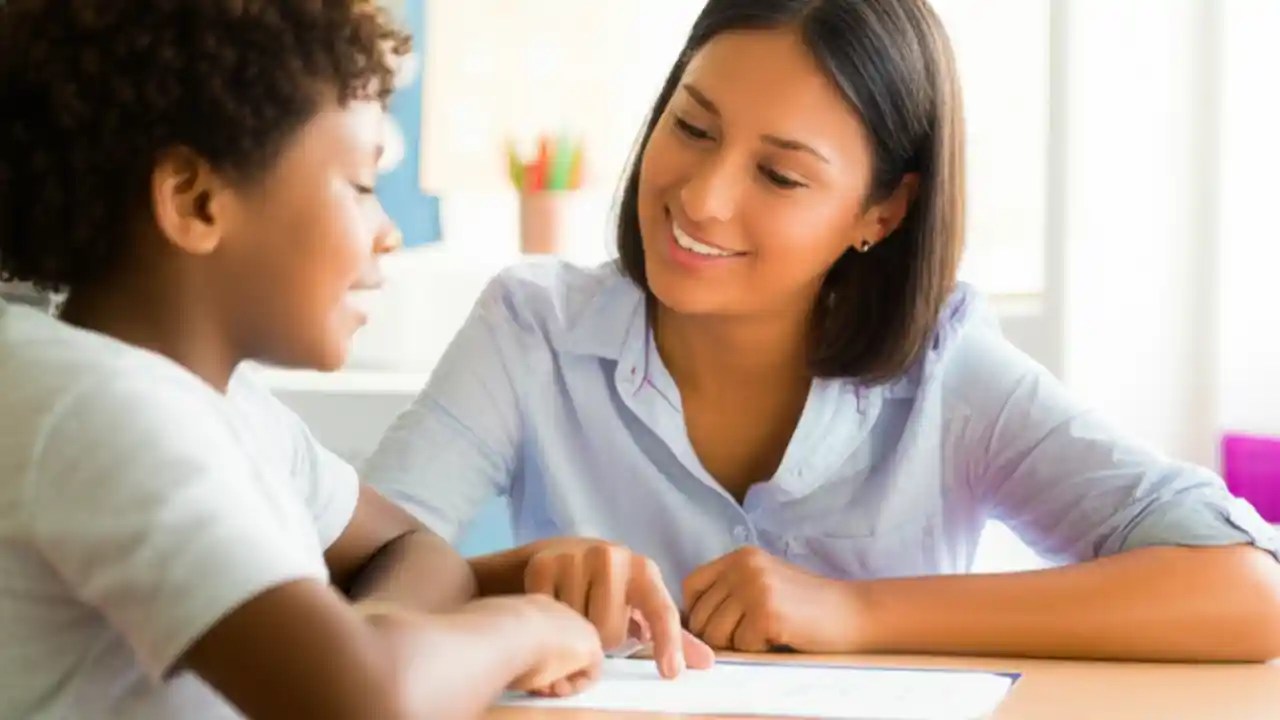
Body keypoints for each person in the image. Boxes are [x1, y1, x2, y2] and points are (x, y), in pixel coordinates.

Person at [366, 0, 1280, 669]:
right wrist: (519, 577)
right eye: (691, 125)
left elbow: (1248, 595)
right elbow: (358, 578)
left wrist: (855, 612)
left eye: (781, 175)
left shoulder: (946, 367)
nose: (702, 196)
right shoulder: (531, 328)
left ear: (881, 210)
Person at [0, 1, 605, 718]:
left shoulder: (238, 414)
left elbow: (416, 547)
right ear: (196, 202)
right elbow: (364, 703)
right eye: (361, 186)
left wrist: (378, 633)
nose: (389, 236)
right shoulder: (95, 409)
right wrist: (526, 626)